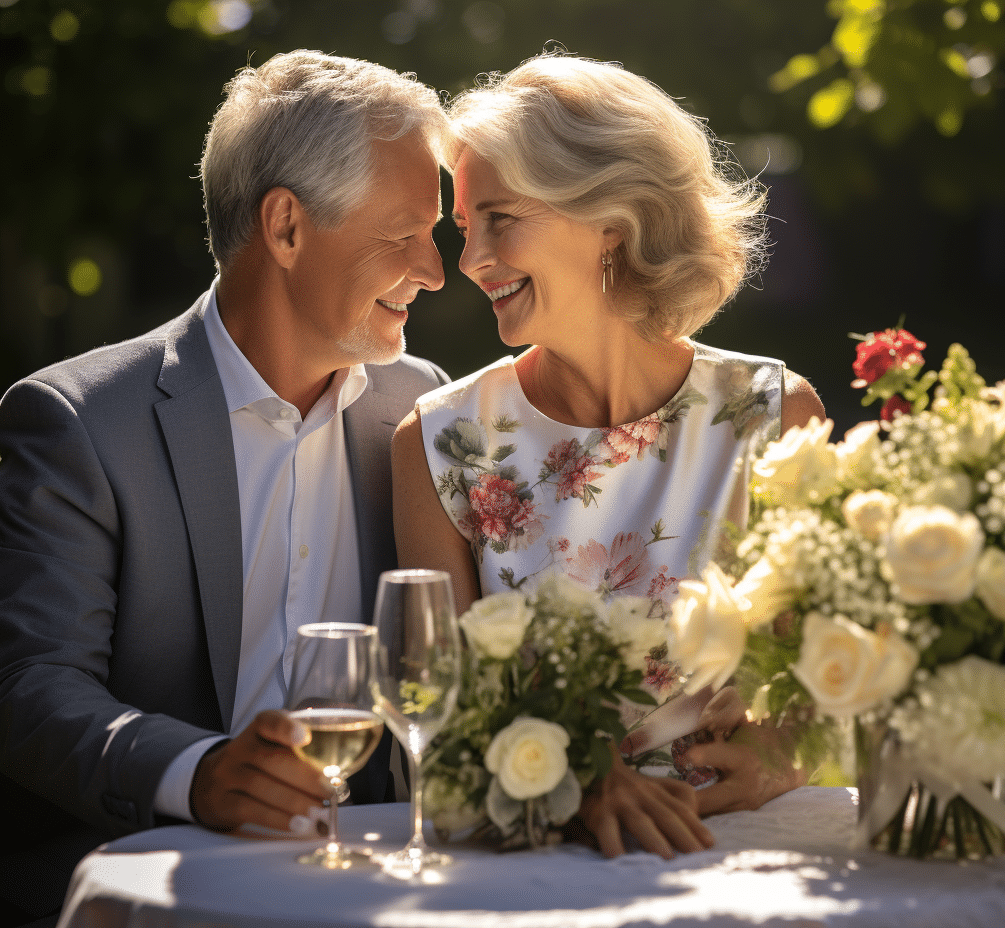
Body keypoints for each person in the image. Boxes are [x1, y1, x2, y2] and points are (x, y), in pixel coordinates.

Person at [0, 50, 448, 922]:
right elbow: (29, 686)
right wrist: (197, 773)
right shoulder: (80, 421)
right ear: (285, 229)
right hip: (157, 883)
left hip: (385, 885)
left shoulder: (423, 408)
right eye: (403, 236)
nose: (435, 271)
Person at [391, 53, 826, 861]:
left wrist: (786, 750)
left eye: (502, 218)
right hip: (530, 870)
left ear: (610, 222)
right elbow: (435, 727)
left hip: (745, 861)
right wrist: (577, 781)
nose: (472, 259)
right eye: (464, 228)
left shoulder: (773, 417)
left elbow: (830, 677)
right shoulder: (439, 444)